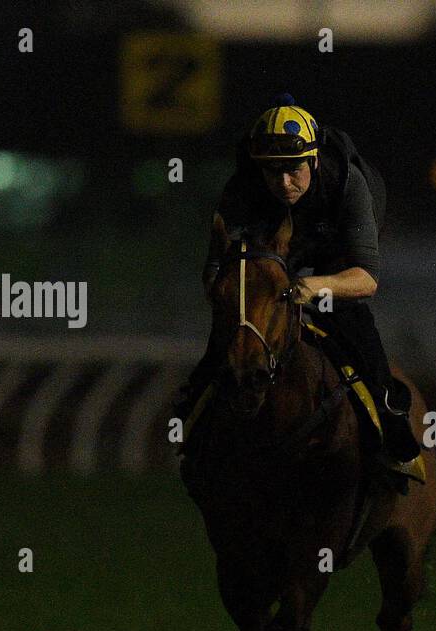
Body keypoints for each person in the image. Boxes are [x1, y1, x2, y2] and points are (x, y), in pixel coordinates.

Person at [178, 93, 422, 474]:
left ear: (313, 159)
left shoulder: (348, 184)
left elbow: (366, 278)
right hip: (270, 273)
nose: (284, 182)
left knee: (360, 340)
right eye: (272, 171)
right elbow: (214, 272)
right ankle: (191, 423)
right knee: (221, 353)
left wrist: (304, 289)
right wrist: (243, 297)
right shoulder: (240, 191)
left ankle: (393, 428)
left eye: (294, 169)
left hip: (332, 264)